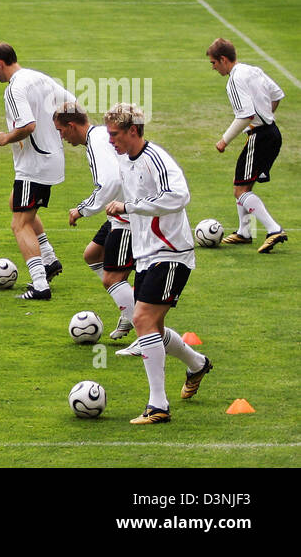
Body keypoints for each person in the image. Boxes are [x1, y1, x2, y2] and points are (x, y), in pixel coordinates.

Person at [102, 104, 212, 425]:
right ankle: (197, 364)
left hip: (172, 254)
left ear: (133, 131)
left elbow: (179, 196)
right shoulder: (126, 160)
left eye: (115, 134)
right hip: (149, 255)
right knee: (154, 328)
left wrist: (130, 205)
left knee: (142, 318)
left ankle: (158, 406)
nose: (111, 141)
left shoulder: (156, 159)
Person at [0, 42, 73, 300]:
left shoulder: (14, 89)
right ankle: (49, 260)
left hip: (34, 165)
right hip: (52, 158)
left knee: (20, 223)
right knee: (17, 202)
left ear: (0, 63)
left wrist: (6, 138)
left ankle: (39, 285)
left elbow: (28, 126)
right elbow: (73, 104)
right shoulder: (39, 77)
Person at [55, 102, 135, 340]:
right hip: (117, 214)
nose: (62, 137)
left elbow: (111, 182)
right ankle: (128, 305)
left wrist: (83, 210)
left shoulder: (97, 142)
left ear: (71, 126)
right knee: (92, 255)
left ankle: (142, 329)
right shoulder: (98, 137)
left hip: (128, 217)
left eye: (61, 131)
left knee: (111, 278)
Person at [206, 38, 287, 253]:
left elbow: (245, 114)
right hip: (272, 133)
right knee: (243, 183)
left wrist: (224, 140)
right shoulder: (253, 70)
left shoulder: (233, 80)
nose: (213, 68)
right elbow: (277, 95)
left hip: (259, 136)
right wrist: (266, 117)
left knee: (240, 190)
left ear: (223, 60)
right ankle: (245, 232)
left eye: (214, 63)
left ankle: (273, 229)